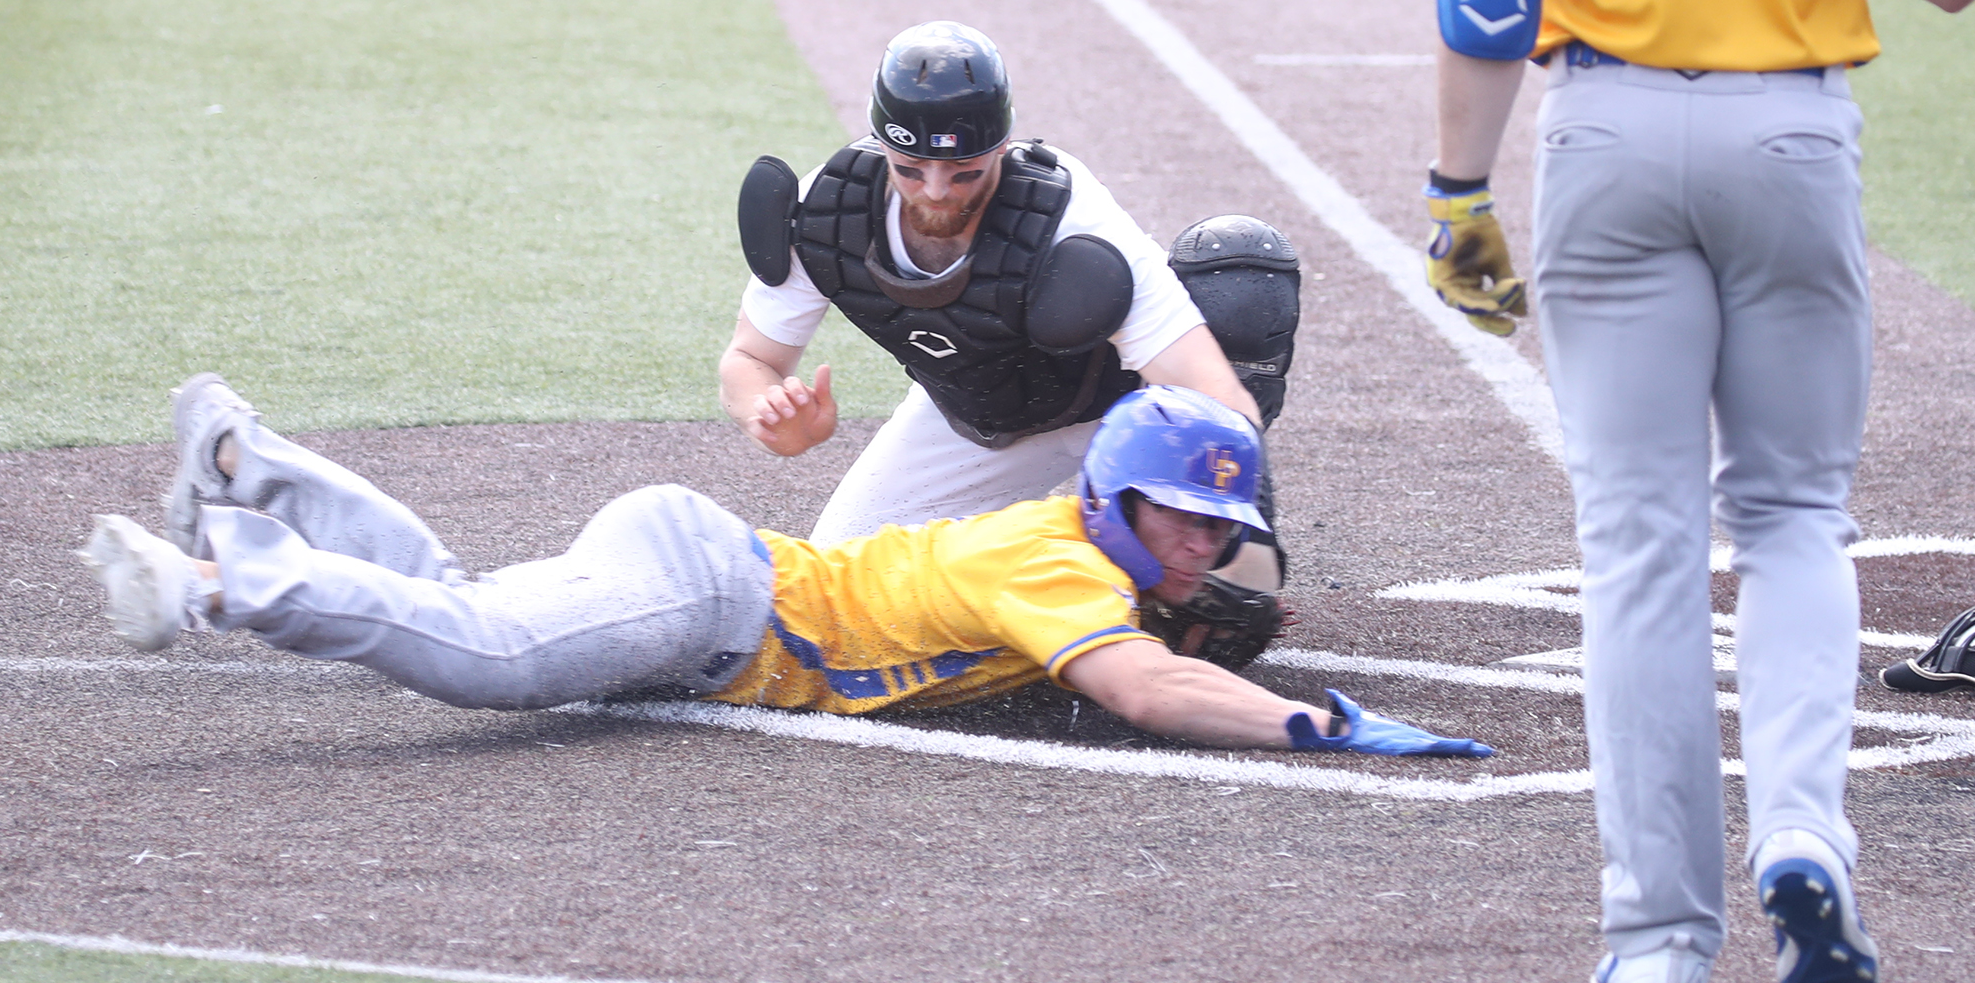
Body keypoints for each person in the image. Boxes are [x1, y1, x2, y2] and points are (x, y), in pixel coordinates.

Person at [1423, 0, 1975, 978]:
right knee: (1795, 518)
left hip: (1605, 128)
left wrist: (1459, 192)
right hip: (1791, 132)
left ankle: (1658, 939)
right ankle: (1804, 832)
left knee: (1637, 548)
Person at [81, 374, 1490, 758]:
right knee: (491, 661)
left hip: (703, 570)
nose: (1205, 547)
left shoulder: (1078, 556)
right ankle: (213, 583)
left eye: (1217, 527)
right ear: (1116, 501)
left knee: (461, 602)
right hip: (712, 597)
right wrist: (1320, 721)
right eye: (1181, 519)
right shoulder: (1062, 570)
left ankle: (241, 470)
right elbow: (1145, 697)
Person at [720, 21, 1302, 669]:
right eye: (911, 167)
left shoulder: (1064, 215)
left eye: (964, 170)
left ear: (1001, 144)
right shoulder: (829, 212)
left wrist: (1240, 541)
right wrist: (774, 420)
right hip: (975, 417)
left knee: (1240, 272)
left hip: (1119, 420)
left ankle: (1134, 561)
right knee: (848, 616)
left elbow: (1217, 394)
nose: (936, 191)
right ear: (881, 142)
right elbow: (752, 362)